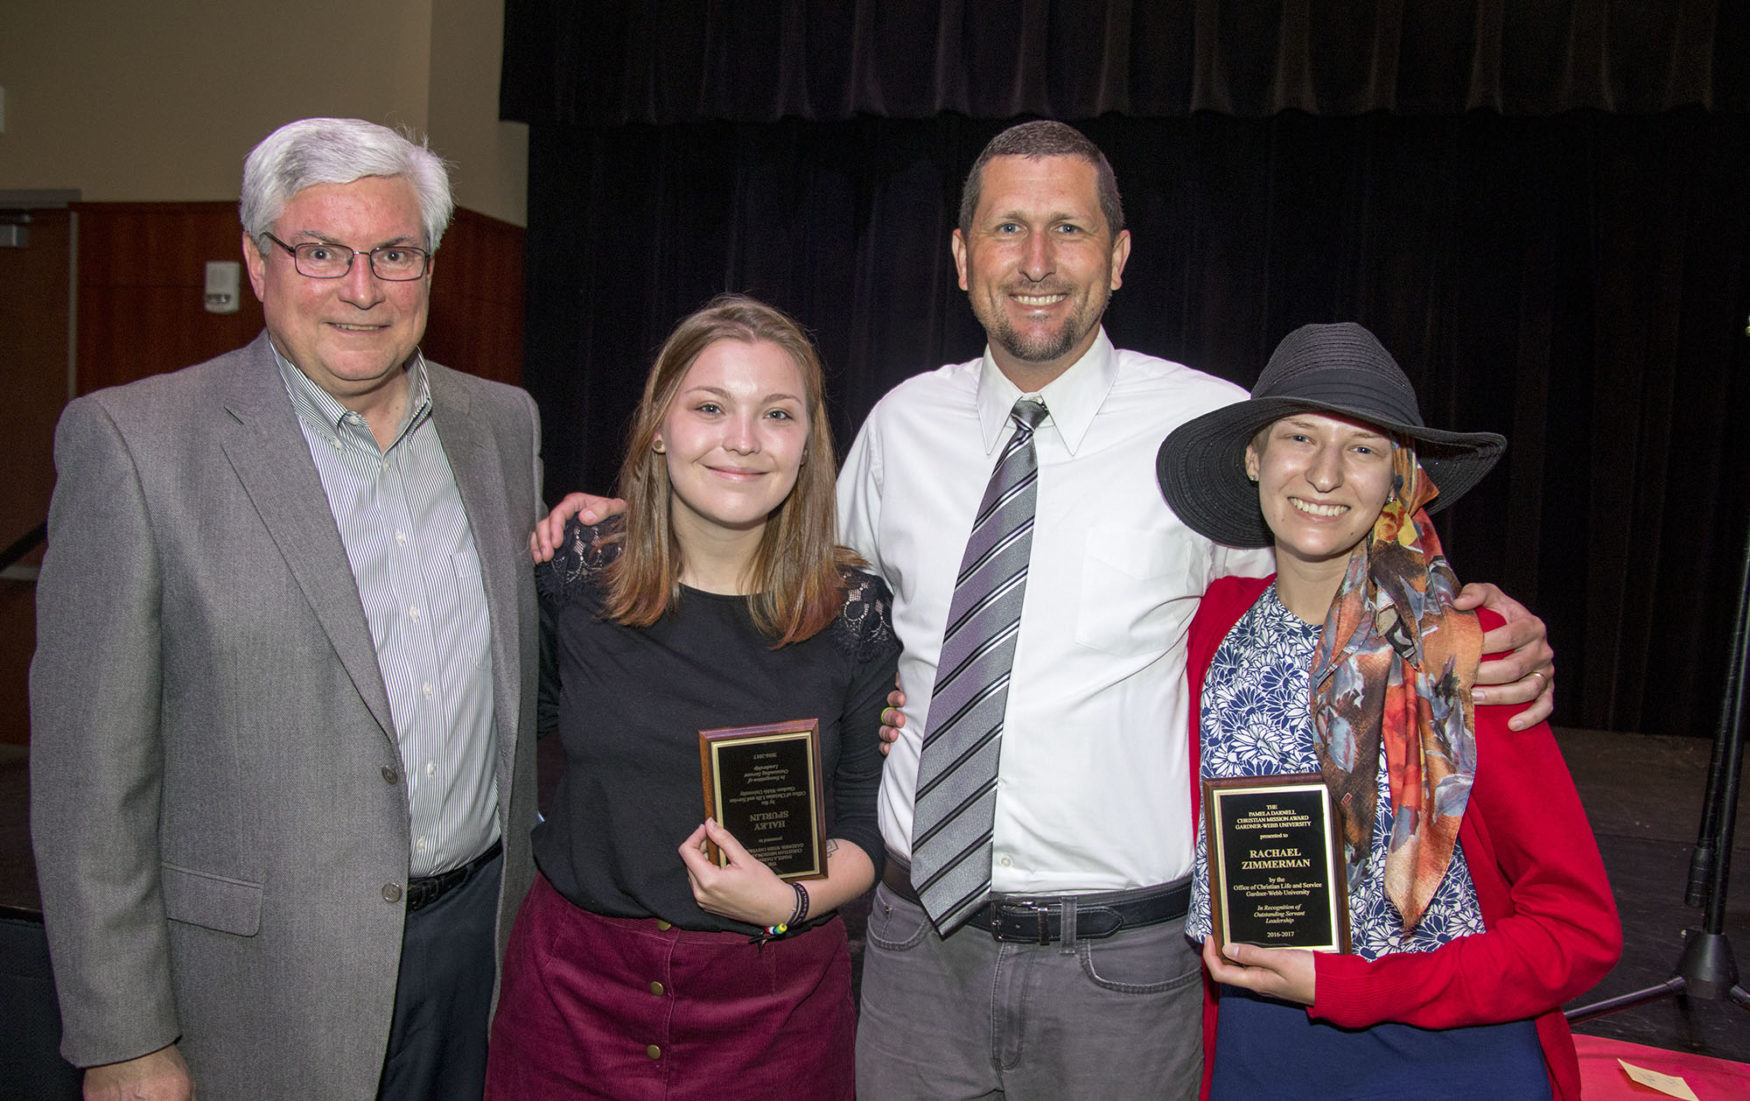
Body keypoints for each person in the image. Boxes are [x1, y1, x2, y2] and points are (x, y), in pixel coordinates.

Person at [533, 120, 1556, 1099]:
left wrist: (1464, 614)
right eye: (1006, 228)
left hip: (1120, 969)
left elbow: (1340, 539)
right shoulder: (901, 426)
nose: (1035, 258)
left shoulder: (1204, 430)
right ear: (961, 255)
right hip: (912, 949)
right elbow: (785, 562)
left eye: (1067, 228)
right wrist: (642, 507)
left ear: (1115, 257)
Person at [30, 118, 544, 1101]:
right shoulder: (136, 446)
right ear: (258, 262)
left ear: (430, 262)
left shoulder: (501, 426)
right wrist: (124, 1039)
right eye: (320, 251)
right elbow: (89, 785)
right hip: (257, 990)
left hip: (474, 955)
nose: (362, 289)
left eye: (393, 252)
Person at [1158, 322, 1619, 1100]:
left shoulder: (1462, 651)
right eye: (1299, 436)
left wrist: (1358, 984)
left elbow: (1579, 929)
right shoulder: (1206, 631)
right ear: (1254, 456)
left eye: (1364, 448)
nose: (1327, 474)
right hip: (1259, 1057)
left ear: (1400, 476)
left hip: (1450, 1062)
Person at [484, 296, 898, 1100]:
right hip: (574, 995)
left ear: (808, 442)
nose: (741, 440)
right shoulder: (574, 577)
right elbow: (508, 735)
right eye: (710, 407)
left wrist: (789, 900)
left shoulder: (852, 613)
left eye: (776, 413)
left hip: (774, 1007)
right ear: (660, 426)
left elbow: (863, 826)